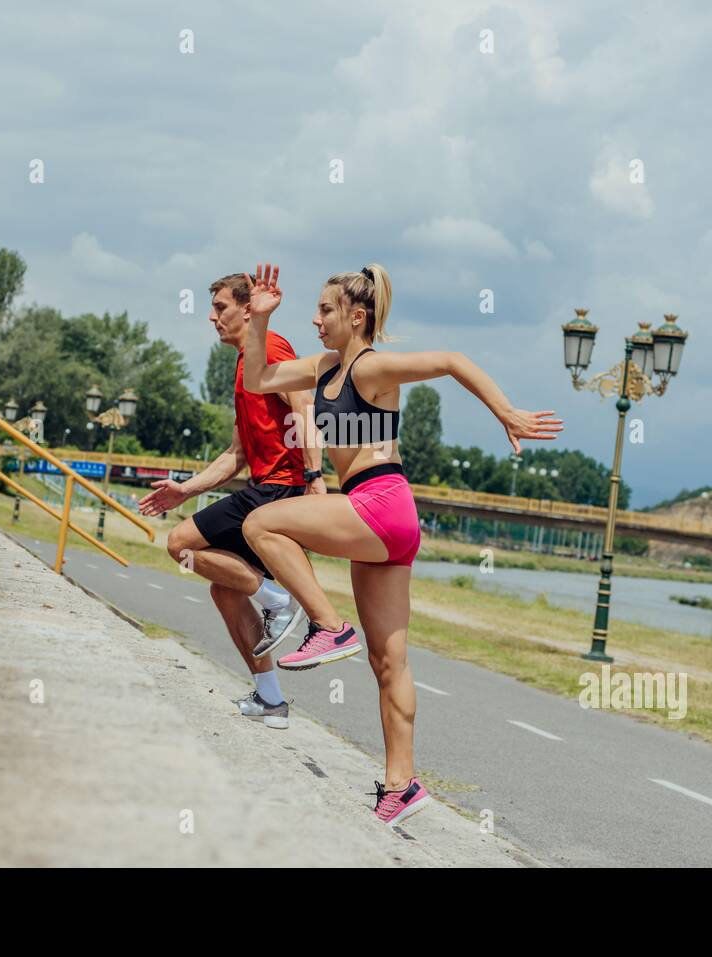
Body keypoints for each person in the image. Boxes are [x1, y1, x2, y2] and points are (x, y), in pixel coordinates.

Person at [239, 262, 563, 824]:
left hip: (379, 502)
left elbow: (452, 360)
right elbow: (257, 379)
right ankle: (402, 783)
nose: (315, 319)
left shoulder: (371, 367)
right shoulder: (323, 368)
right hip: (383, 519)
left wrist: (505, 412)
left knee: (261, 525)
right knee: (388, 660)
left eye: (324, 310)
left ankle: (326, 624)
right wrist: (260, 319)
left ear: (355, 316)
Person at [138, 273, 325, 730]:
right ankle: (271, 699)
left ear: (248, 309)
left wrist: (316, 478)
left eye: (221, 307)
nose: (212, 316)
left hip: (279, 487)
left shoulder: (271, 348)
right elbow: (239, 452)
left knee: (181, 544)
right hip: (264, 483)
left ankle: (279, 601)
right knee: (225, 590)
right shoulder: (245, 362)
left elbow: (304, 407)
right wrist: (187, 489)